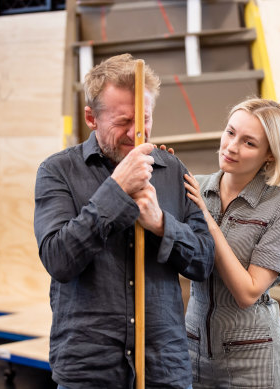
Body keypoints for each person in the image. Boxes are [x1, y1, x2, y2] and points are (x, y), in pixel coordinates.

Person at [33, 53, 214, 389]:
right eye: (122, 122)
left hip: (165, 369)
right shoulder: (58, 171)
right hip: (90, 370)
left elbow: (204, 261)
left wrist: (161, 224)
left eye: (144, 120)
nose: (136, 133)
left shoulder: (173, 171)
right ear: (91, 117)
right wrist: (116, 191)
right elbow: (59, 260)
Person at [183, 98, 280, 388]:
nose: (231, 146)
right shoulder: (194, 187)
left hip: (255, 358)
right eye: (230, 132)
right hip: (192, 351)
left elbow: (247, 292)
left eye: (249, 143)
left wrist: (208, 223)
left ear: (270, 155)